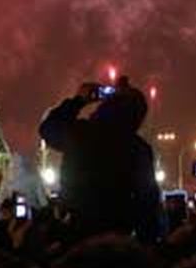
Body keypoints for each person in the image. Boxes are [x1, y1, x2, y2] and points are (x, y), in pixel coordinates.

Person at [38, 77, 160, 240]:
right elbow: (148, 202)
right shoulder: (139, 149)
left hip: (77, 234)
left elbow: (48, 128)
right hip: (119, 238)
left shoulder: (82, 135)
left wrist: (78, 100)